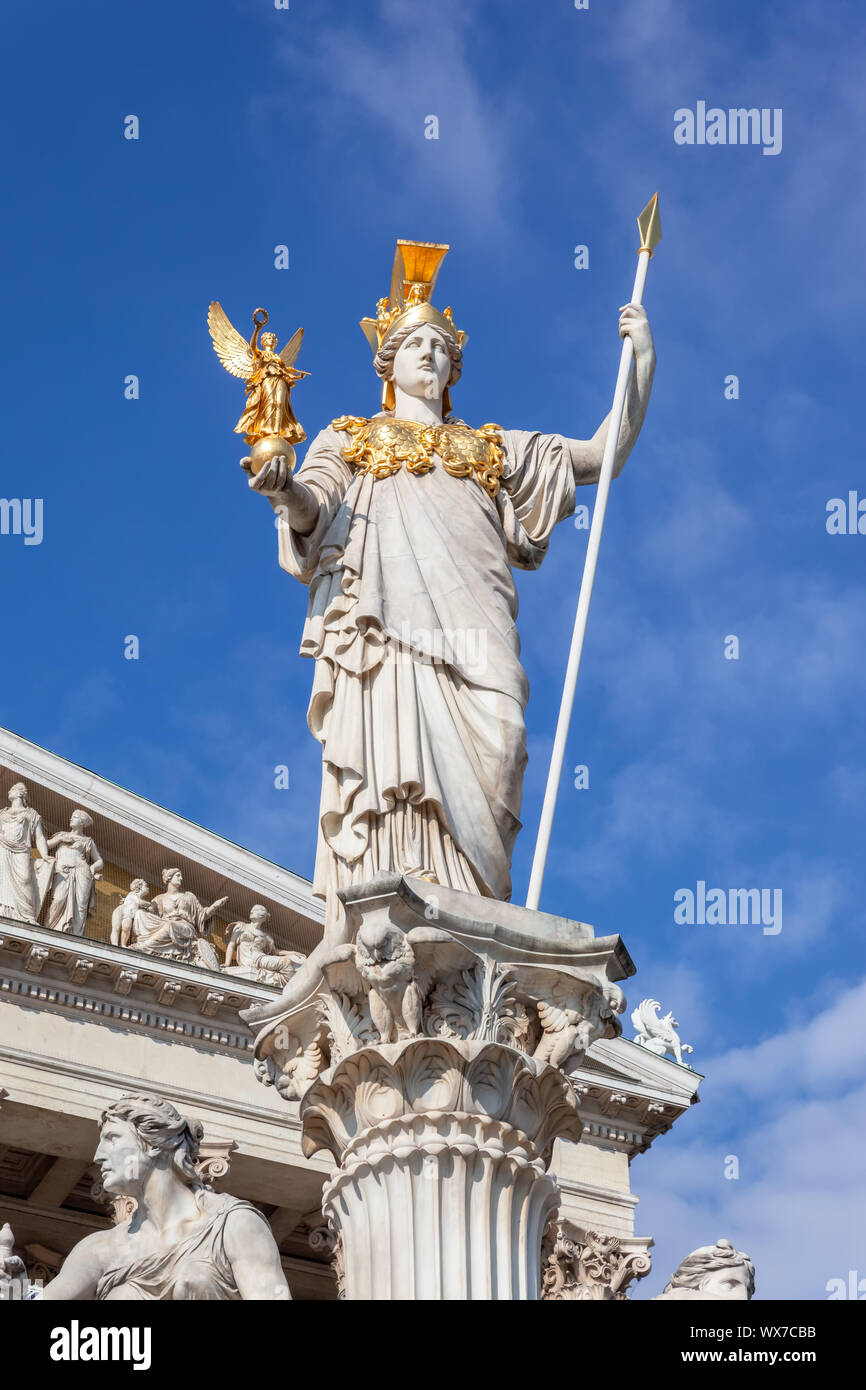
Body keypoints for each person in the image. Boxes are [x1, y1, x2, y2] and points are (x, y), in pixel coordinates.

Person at [242, 240, 655, 1027]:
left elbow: (604, 453)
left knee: (501, 739)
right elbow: (312, 511)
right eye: (416, 347)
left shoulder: (493, 452)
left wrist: (640, 360)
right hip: (389, 637)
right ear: (388, 363)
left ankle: (472, 920)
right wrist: (282, 483)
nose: (429, 357)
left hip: (478, 632)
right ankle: (399, 904)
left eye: (441, 349)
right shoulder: (352, 441)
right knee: (395, 766)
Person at [38, 1093, 290, 1300]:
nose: (98, 1155)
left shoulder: (234, 1224)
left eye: (112, 1139)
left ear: (154, 1143)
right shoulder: (99, 1250)